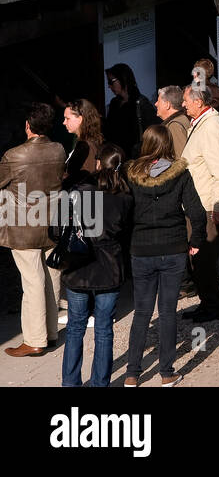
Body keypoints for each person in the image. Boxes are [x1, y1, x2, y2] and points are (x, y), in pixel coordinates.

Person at [122, 123, 206, 385]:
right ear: (167, 144)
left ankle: (132, 374)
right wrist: (196, 241)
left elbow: (124, 214)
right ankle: (167, 373)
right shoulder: (180, 173)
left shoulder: (131, 174)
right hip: (173, 248)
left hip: (141, 249)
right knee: (168, 311)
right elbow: (197, 211)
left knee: (142, 312)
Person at [60, 144, 132, 387]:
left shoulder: (78, 191)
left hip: (79, 267)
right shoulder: (124, 197)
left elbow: (55, 229)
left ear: (99, 163)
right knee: (103, 330)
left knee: (74, 328)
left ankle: (70, 382)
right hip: (109, 267)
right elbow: (126, 233)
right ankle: (100, 383)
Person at [1, 103, 67, 357]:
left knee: (33, 281)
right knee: (51, 276)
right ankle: (50, 333)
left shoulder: (14, 155)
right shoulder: (59, 149)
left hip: (23, 225)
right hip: (51, 223)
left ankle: (35, 339)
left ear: (28, 125)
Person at [178, 85, 219, 321]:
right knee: (199, 259)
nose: (183, 105)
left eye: (186, 101)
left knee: (205, 258)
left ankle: (215, 305)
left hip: (207, 205)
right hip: (198, 203)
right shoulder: (201, 122)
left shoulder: (210, 126)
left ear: (198, 102)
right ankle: (208, 301)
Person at [103, 63, 158, 158]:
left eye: (111, 82)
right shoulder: (114, 103)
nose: (109, 86)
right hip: (116, 158)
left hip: (135, 158)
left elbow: (153, 133)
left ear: (123, 79)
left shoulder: (141, 102)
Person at [63, 98, 105, 182]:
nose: (64, 122)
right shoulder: (89, 142)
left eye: (67, 118)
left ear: (80, 119)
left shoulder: (85, 146)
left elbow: (76, 177)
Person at [153, 86, 190, 161]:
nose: (155, 104)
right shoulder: (181, 119)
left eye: (158, 101)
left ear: (167, 105)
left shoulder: (174, 125)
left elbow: (180, 159)